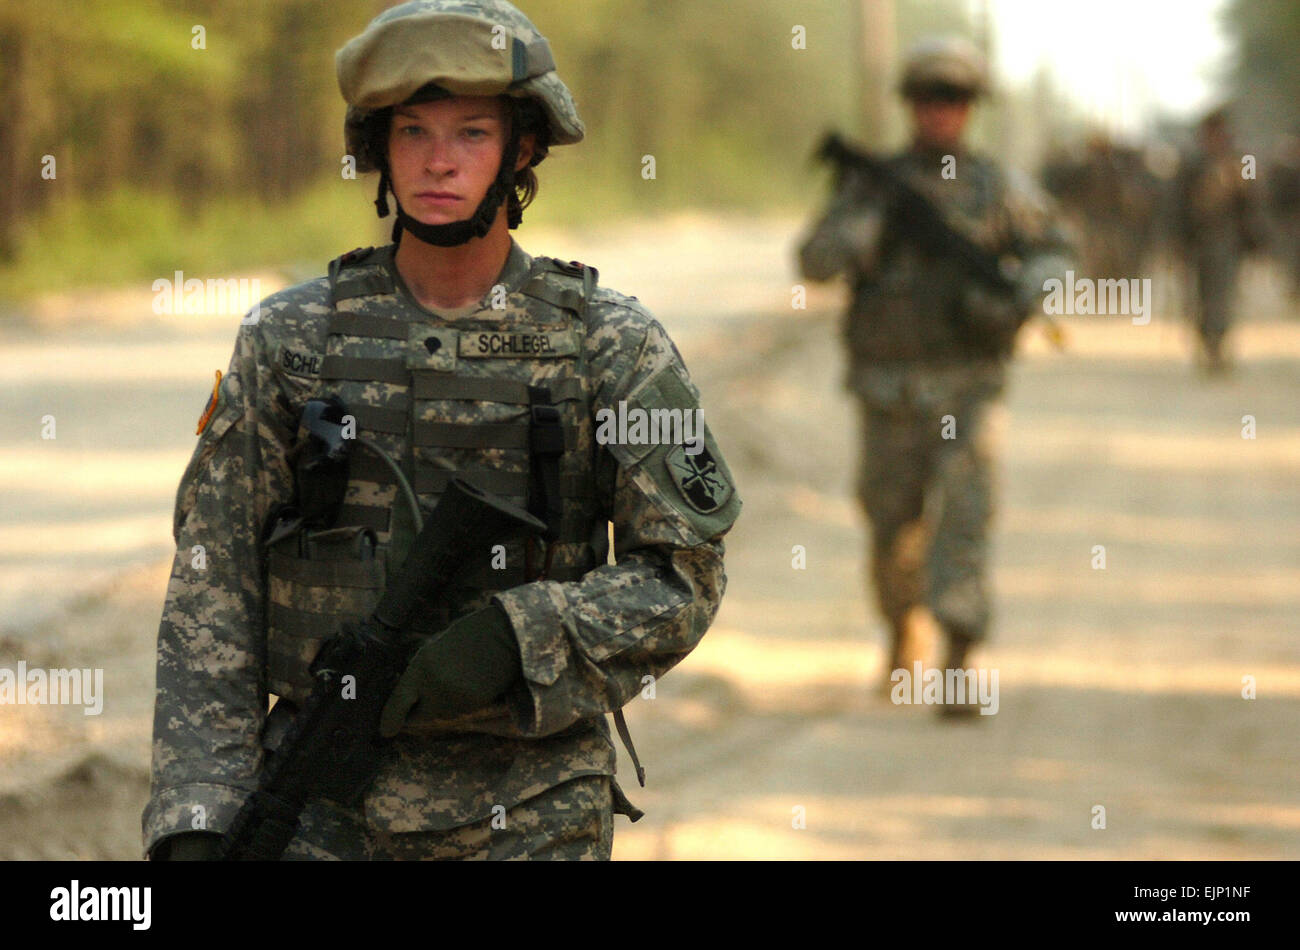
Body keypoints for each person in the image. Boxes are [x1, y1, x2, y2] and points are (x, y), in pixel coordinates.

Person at [142, 0, 740, 860]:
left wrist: (520, 637)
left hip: (535, 809)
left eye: (470, 133)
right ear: (378, 148)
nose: (438, 162)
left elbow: (684, 574)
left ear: (522, 149)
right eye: (413, 131)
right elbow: (213, 587)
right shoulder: (291, 341)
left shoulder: (610, 342)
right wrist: (195, 815)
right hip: (321, 808)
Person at [798, 35, 1068, 716]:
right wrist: (864, 229)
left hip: (968, 387)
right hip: (887, 392)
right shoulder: (871, 184)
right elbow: (813, 261)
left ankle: (957, 659)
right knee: (892, 528)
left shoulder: (997, 188)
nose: (939, 112)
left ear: (971, 107)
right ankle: (900, 629)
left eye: (952, 98)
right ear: (909, 105)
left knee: (966, 522)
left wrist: (1021, 293)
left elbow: (1058, 252)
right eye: (927, 97)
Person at [1174, 107, 1264, 374]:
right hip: (1199, 241)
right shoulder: (1192, 164)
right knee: (1203, 297)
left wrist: (1255, 239)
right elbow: (1176, 204)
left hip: (1229, 241)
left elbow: (1252, 202)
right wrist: (1177, 240)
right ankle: (1209, 344)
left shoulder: (1241, 162)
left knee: (1223, 297)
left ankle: (1219, 345)